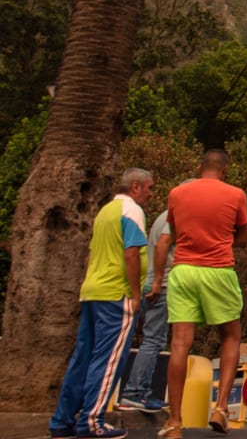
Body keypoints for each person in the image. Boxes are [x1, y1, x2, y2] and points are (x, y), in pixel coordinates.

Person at [49, 168, 155, 439]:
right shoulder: (131, 211)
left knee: (82, 357)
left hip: (93, 291)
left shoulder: (105, 212)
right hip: (115, 294)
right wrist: (133, 294)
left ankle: (62, 420)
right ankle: (91, 421)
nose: (151, 194)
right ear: (135, 187)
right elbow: (131, 253)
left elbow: (91, 254)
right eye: (149, 188)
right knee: (107, 359)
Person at [158, 150, 247, 439]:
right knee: (231, 337)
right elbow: (243, 237)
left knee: (180, 344)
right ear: (225, 169)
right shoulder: (236, 194)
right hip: (218, 270)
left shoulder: (177, 193)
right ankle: (221, 408)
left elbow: (173, 231)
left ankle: (174, 421)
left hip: (183, 270)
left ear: (201, 168)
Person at [117, 206, 175, 413]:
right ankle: (135, 392)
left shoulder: (162, 216)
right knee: (154, 340)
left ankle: (135, 391)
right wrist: (159, 281)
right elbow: (162, 245)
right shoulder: (174, 216)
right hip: (161, 284)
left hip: (148, 281)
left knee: (132, 338)